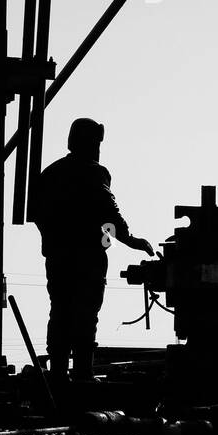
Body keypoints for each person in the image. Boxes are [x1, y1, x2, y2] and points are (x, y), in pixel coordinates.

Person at [32, 118, 154, 389]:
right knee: (86, 314)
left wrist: (55, 241)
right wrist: (128, 240)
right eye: (96, 143)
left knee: (61, 311)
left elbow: (37, 215)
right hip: (87, 258)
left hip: (57, 257)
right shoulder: (95, 173)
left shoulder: (50, 174)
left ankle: (59, 372)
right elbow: (109, 211)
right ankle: (82, 374)